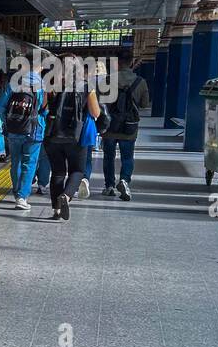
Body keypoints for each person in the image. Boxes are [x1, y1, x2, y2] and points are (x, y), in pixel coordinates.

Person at [44, 59, 104, 221]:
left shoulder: (50, 84)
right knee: (77, 170)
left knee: (57, 172)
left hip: (52, 135)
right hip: (76, 136)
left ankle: (56, 210)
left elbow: (43, 107)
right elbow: (95, 113)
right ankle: (66, 196)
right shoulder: (86, 86)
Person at [101, 51, 150, 200]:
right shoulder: (140, 82)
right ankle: (124, 180)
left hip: (110, 126)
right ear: (130, 62)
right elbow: (144, 104)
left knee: (109, 157)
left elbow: (99, 101)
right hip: (129, 126)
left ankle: (109, 186)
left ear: (117, 63)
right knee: (127, 157)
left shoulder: (108, 80)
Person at [0, 62, 46, 210]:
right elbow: (43, 109)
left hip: (14, 130)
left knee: (16, 162)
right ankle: (22, 197)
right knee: (29, 164)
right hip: (34, 131)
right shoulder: (41, 85)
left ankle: (17, 193)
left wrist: (8, 122)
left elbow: (0, 106)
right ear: (39, 68)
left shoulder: (14, 83)